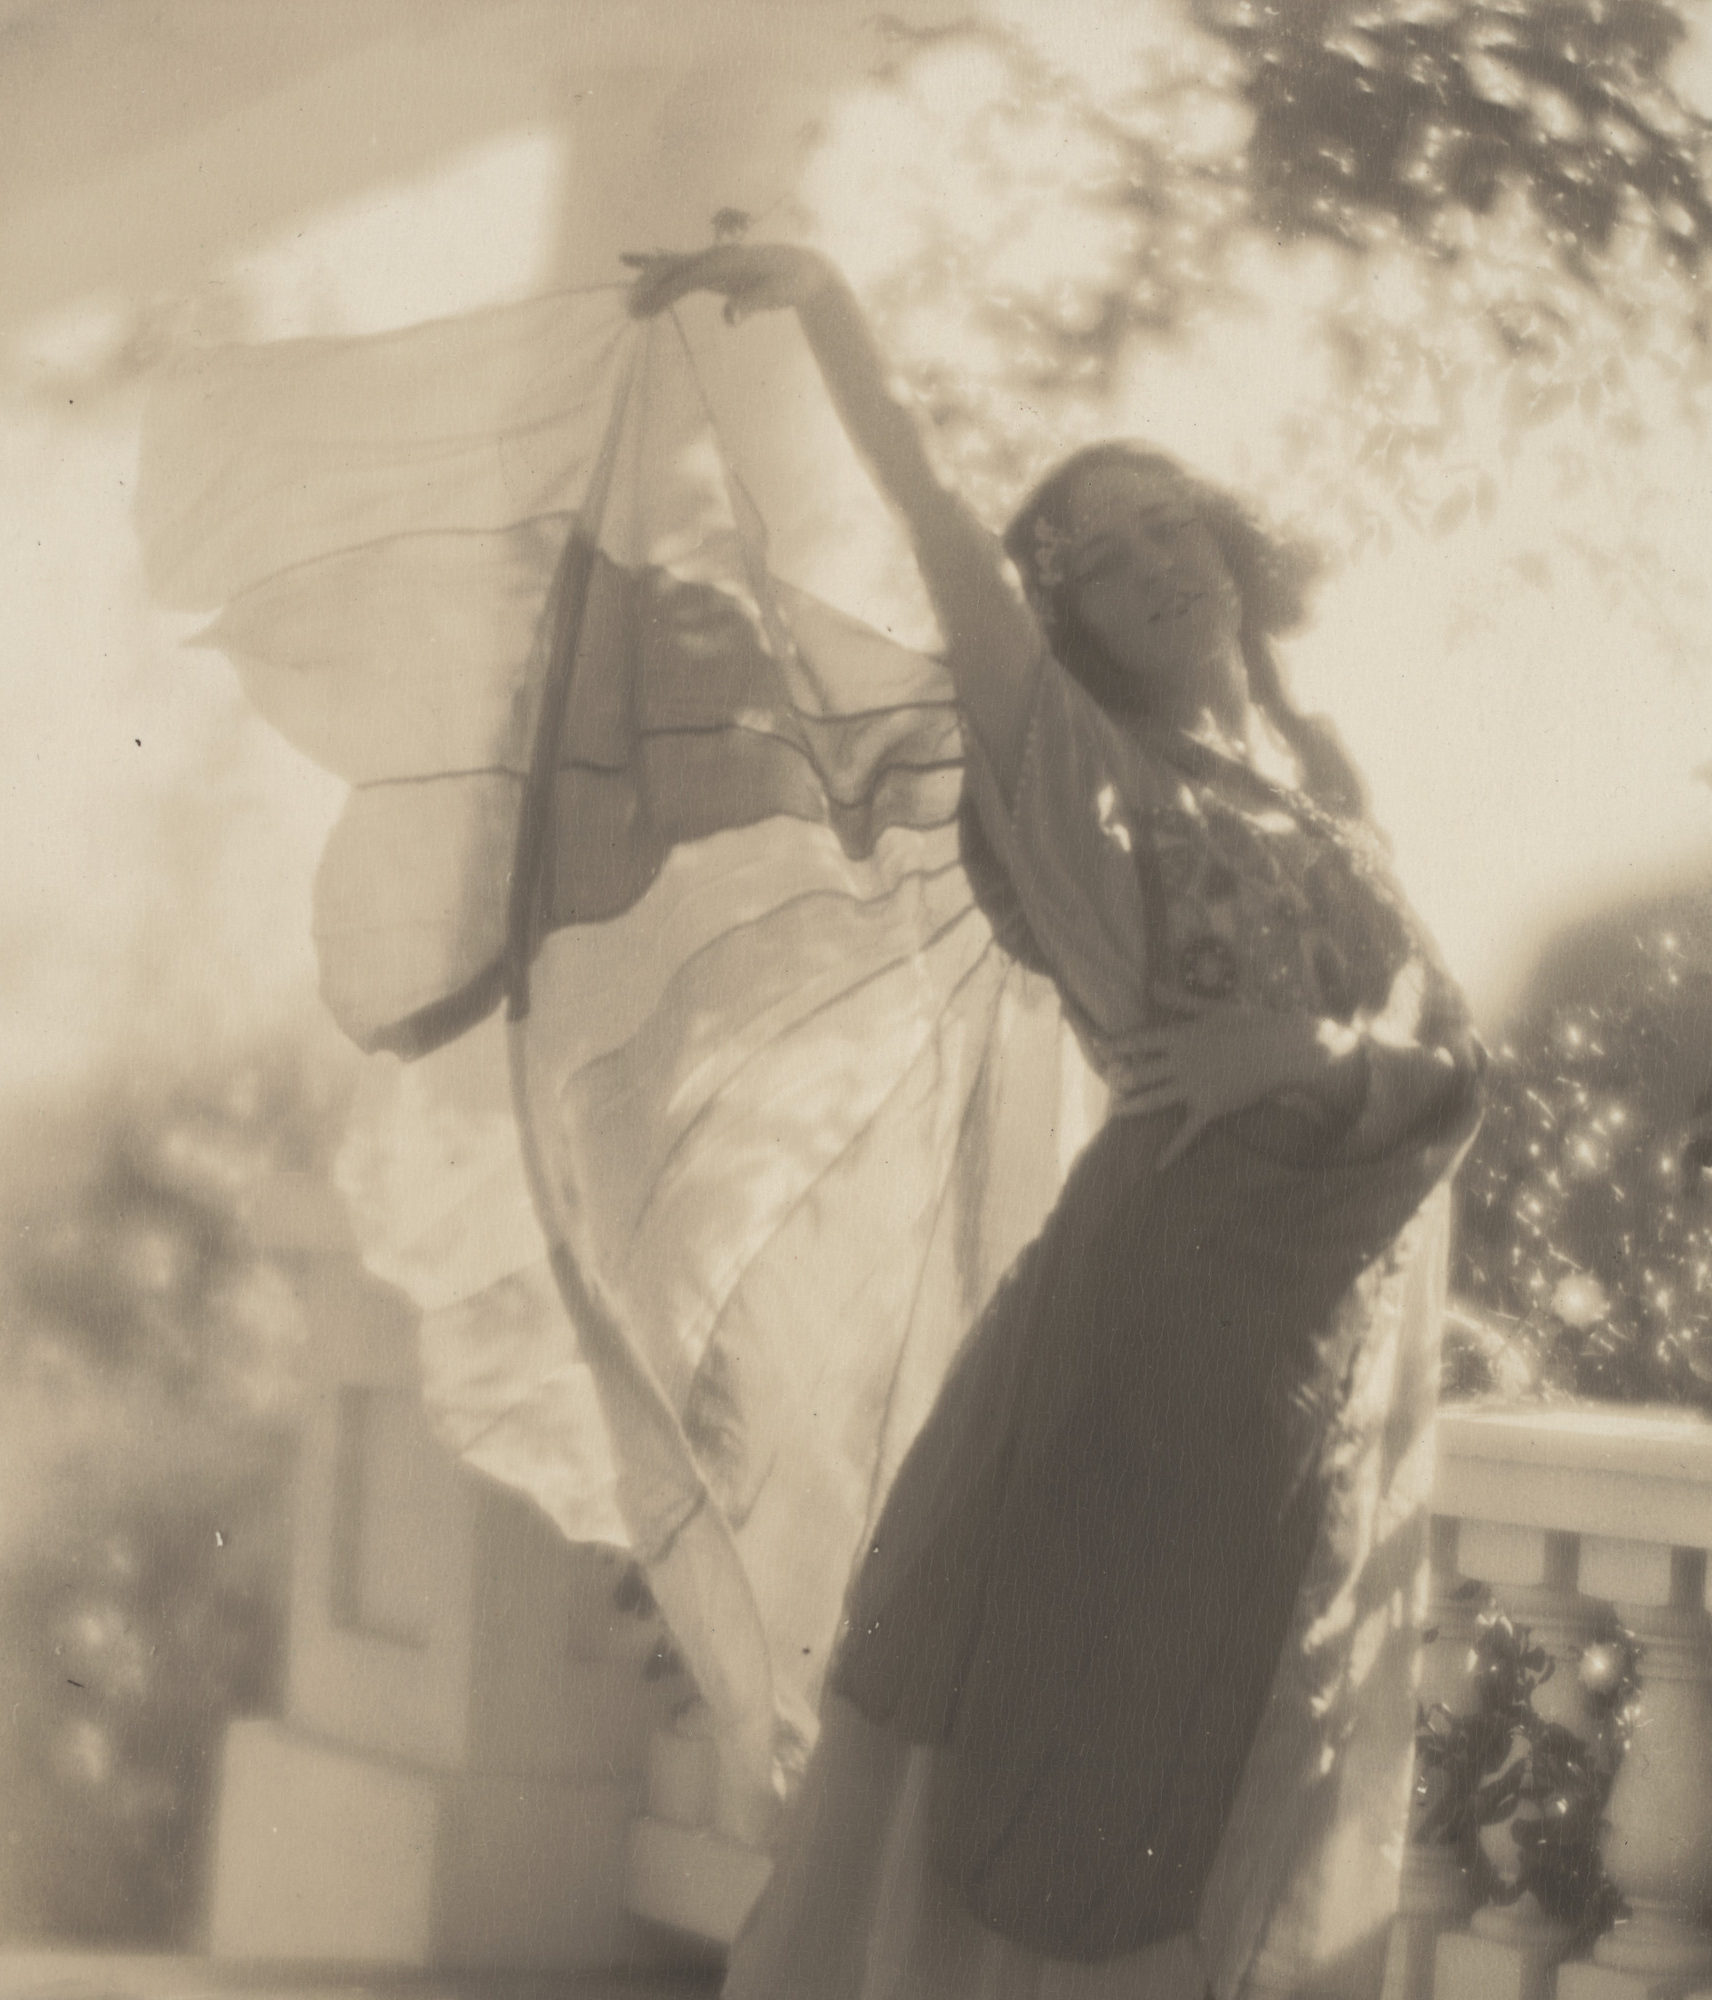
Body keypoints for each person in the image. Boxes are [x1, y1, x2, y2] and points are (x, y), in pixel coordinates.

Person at [623, 242, 1486, 2000]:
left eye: (1173, 521)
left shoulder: (1322, 786)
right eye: (1100, 557)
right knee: (1051, 1750)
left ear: (1229, 543)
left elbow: (1450, 1056)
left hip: (1293, 1350)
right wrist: (829, 316)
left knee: (1222, 1748)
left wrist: (1304, 1057)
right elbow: (940, 526)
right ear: (1065, 615)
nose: (1155, 563)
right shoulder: (1081, 771)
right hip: (1139, 1333)